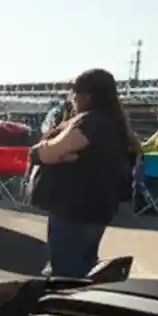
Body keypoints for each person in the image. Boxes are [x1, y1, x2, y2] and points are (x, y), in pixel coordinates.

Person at [31, 69, 133, 278]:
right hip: (96, 207)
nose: (73, 98)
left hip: (75, 208)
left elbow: (49, 152)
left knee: (65, 271)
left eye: (75, 92)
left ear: (88, 95)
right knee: (83, 265)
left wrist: (42, 151)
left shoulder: (91, 122)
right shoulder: (114, 123)